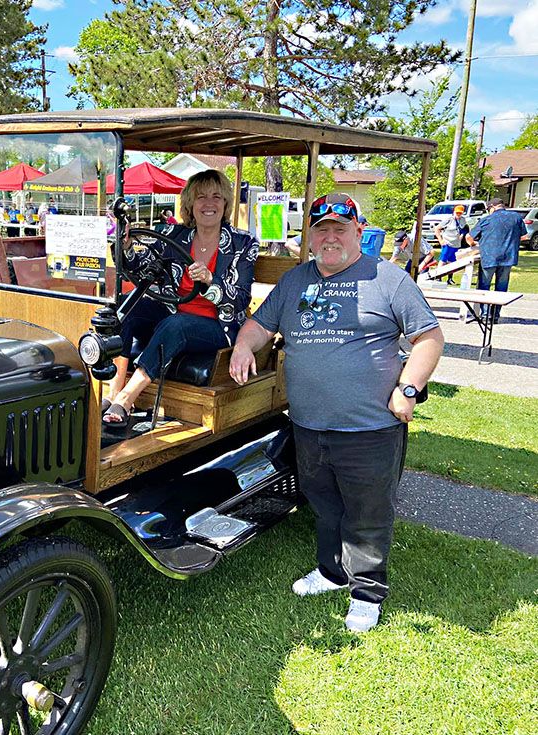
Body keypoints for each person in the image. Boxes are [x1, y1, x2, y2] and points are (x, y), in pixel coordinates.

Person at [228, 192, 444, 633]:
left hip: (369, 427)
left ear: (358, 233)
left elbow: (429, 338)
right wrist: (241, 347)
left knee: (367, 510)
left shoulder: (388, 279)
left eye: (339, 229)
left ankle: (367, 591)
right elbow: (259, 325)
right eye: (321, 229)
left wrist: (408, 388)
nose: (330, 237)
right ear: (309, 236)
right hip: (308, 423)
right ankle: (332, 572)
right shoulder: (294, 282)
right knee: (324, 503)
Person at [103, 169, 259, 426]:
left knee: (176, 325)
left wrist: (210, 281)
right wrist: (126, 246)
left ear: (226, 203)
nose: (209, 204)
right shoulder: (175, 236)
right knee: (127, 305)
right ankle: (112, 392)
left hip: (219, 325)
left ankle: (127, 399)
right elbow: (143, 268)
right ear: (190, 203)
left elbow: (241, 299)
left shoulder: (243, 243)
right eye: (201, 197)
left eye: (216, 197)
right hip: (174, 313)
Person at [469, 197, 526, 322]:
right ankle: (495, 315)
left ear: (492, 207)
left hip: (489, 256)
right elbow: (524, 235)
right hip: (508, 257)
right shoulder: (516, 218)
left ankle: (485, 315)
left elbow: (470, 237)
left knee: (484, 286)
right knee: (501, 287)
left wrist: (474, 246)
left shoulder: (486, 220)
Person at [434, 204, 469, 284]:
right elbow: (437, 228)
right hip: (447, 242)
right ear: (454, 212)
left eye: (460, 213)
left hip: (456, 244)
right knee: (443, 260)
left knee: (452, 262)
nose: (458, 215)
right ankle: (438, 277)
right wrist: (441, 240)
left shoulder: (463, 220)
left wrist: (461, 236)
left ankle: (450, 279)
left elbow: (463, 229)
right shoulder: (449, 219)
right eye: (457, 213)